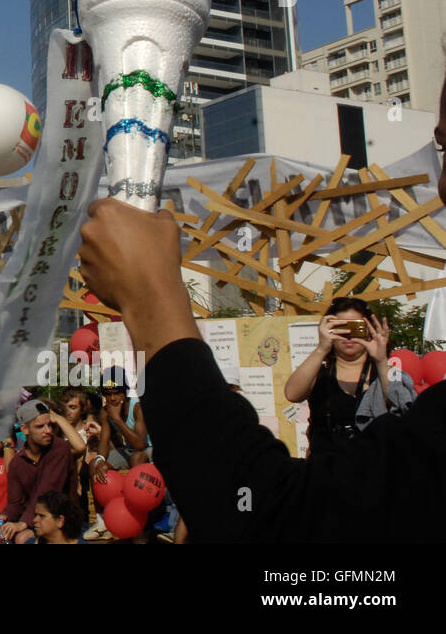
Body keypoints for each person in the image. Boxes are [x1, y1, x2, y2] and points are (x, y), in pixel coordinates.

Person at [75, 75, 446, 543]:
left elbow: (277, 521)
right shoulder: (328, 372)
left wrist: (152, 302)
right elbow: (294, 402)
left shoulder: (388, 380)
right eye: (443, 150)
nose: (443, 184)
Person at [283, 298, 409, 454]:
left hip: (373, 467)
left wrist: (381, 360)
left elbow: (400, 405)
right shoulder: (320, 372)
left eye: (356, 327)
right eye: (341, 327)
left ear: (369, 330)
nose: (349, 335)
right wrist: (321, 349)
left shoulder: (385, 371)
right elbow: (292, 394)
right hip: (326, 468)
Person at [0, 399, 86, 544]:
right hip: (36, 519)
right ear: (25, 429)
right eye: (40, 426)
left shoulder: (60, 449)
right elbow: (15, 503)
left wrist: (23, 523)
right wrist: (4, 517)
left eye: (50, 425)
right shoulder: (17, 463)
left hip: (62, 522)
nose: (48, 430)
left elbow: (47, 489)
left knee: (23, 538)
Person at [96, 367, 149, 469]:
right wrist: (100, 460)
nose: (112, 398)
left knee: (136, 457)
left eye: (116, 393)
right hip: (129, 451)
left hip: (148, 451)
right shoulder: (105, 411)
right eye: (108, 394)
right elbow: (104, 442)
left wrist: (117, 420)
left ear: (124, 393)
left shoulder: (137, 408)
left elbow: (140, 446)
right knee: (95, 465)